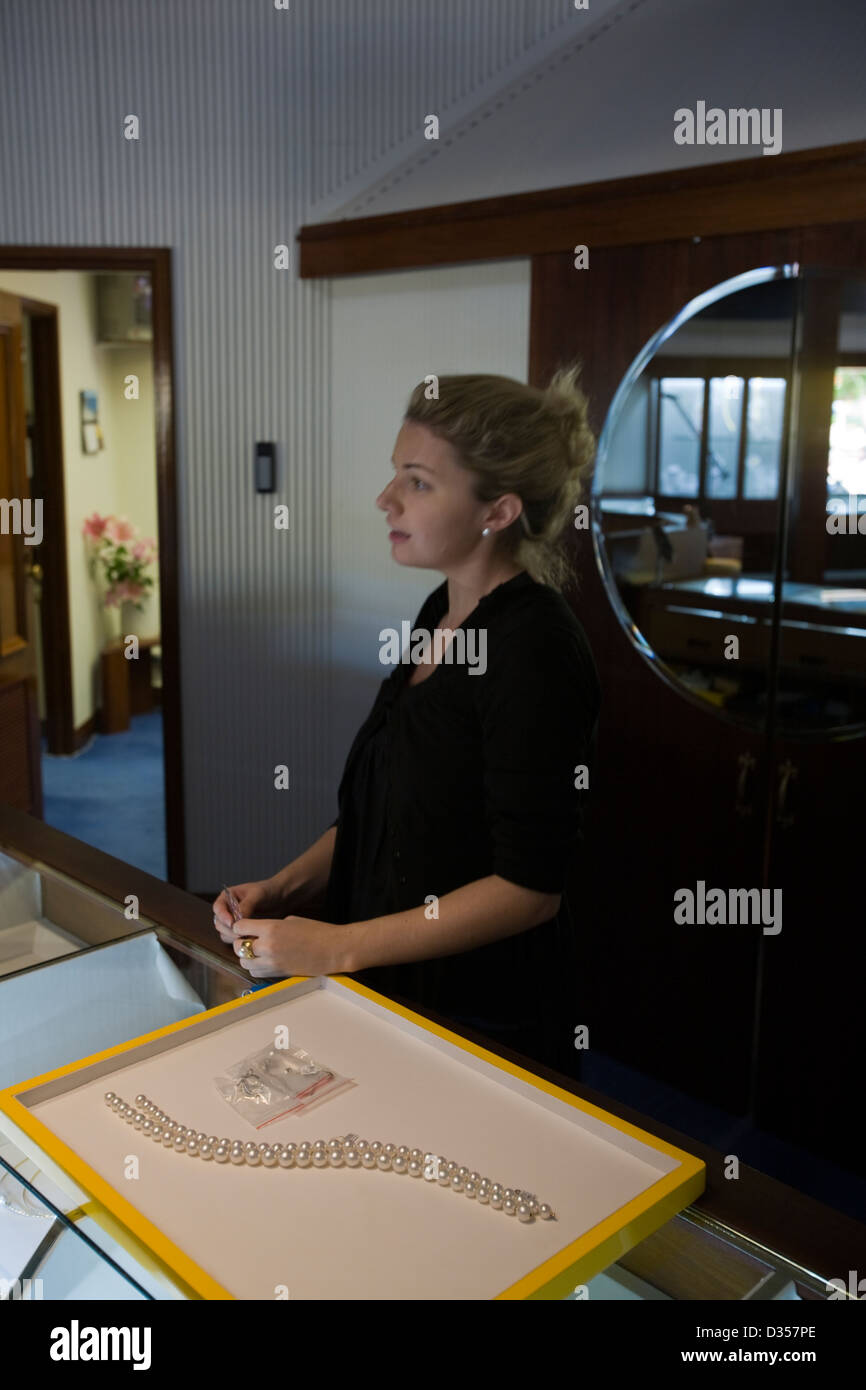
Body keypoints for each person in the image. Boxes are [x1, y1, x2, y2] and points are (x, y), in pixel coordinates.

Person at [213, 363, 601, 1079]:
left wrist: (337, 946)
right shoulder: (443, 610)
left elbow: (529, 891)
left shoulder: (535, 650)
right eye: (396, 474)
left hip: (481, 1020)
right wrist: (287, 887)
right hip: (391, 990)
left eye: (418, 482)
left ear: (499, 511)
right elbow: (389, 807)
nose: (385, 499)